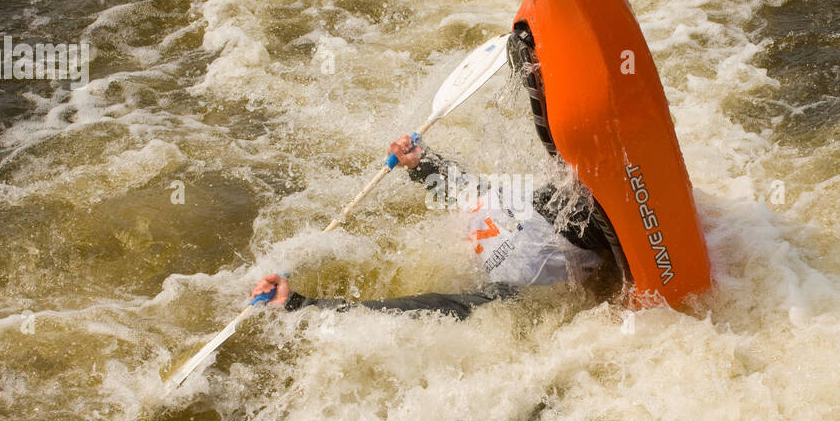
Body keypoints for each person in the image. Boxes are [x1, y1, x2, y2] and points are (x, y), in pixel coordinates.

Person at [252, 135, 614, 319]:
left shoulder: (474, 199)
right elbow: (424, 307)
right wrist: (301, 304)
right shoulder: (502, 292)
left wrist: (420, 162)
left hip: (566, 214)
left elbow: (452, 183)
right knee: (448, 308)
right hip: (577, 229)